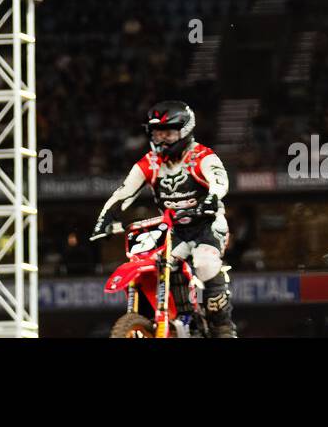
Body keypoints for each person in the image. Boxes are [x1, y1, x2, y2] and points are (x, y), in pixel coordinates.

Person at [91, 100, 236, 337]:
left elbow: (220, 179)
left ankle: (223, 327)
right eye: (157, 133)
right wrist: (104, 218)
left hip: (207, 226)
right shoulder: (150, 163)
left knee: (205, 264)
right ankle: (171, 318)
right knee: (159, 265)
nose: (162, 139)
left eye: (168, 133)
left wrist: (213, 197)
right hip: (173, 231)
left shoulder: (202, 156)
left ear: (185, 130)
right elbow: (124, 192)